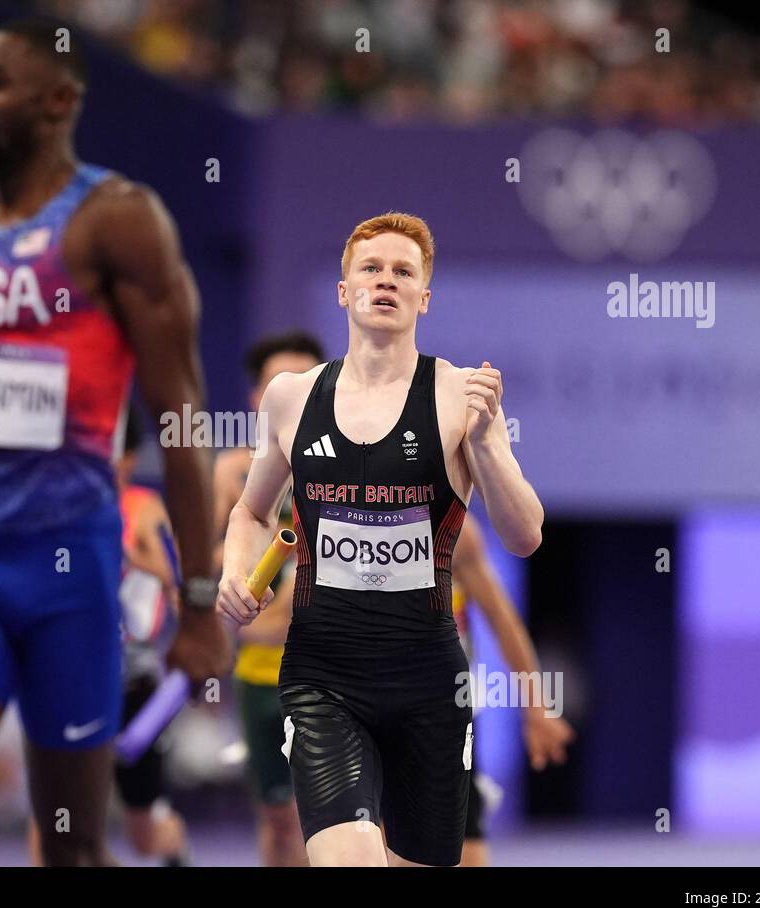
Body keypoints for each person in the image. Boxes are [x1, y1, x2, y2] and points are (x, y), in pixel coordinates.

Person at [0, 17, 228, 866]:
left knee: (69, 846)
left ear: (59, 100)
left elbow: (180, 416)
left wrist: (200, 602)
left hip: (70, 565)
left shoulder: (119, 222)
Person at [218, 211, 544, 867]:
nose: (385, 281)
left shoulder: (459, 396)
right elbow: (250, 513)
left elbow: (525, 534)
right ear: (345, 290)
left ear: (424, 296)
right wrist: (235, 572)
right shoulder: (292, 397)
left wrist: (486, 445)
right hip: (322, 681)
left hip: (429, 685)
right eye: (371, 268)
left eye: (404, 271)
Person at [29, 410, 193, 866]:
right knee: (55, 820)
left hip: (134, 688)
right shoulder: (63, 510)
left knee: (145, 834)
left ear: (127, 460)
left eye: (108, 457)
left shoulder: (143, 509)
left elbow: (177, 584)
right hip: (74, 684)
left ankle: (177, 851)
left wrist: (124, 556)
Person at [212, 333, 323, 867]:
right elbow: (211, 562)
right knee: (279, 821)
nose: (298, 394)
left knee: (348, 816)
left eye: (309, 380)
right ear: (258, 397)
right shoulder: (233, 473)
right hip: (261, 672)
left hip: (334, 668)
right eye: (285, 383)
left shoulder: (348, 464)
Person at [450, 511, 575, 866]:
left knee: (469, 855)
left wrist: (537, 707)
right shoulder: (340, 523)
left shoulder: (457, 531)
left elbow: (503, 621)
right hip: (373, 711)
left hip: (448, 718)